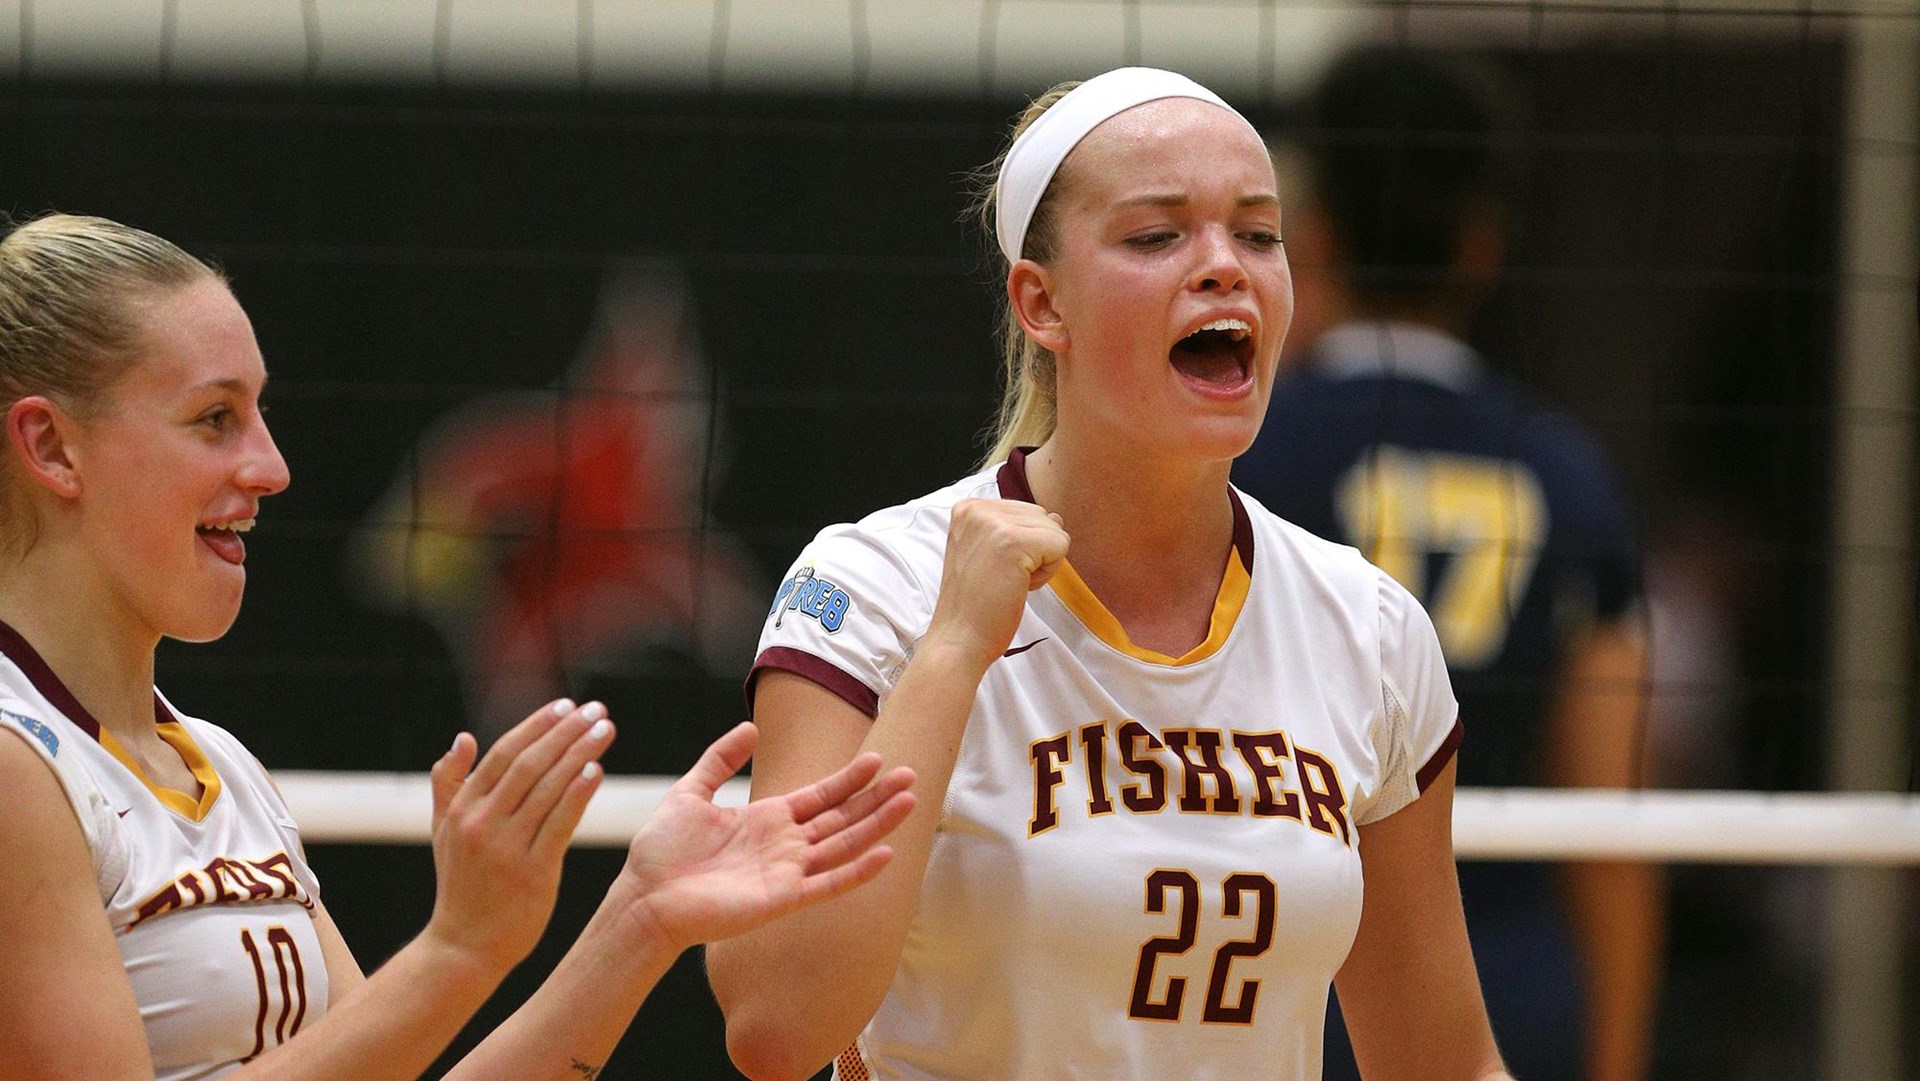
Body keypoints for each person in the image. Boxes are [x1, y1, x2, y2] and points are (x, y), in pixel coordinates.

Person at [707, 67, 1510, 1080]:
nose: (1224, 266)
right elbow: (775, 1022)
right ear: (1042, 303)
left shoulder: (1368, 626)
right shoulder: (877, 587)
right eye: (1156, 235)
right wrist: (954, 654)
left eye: (1259, 234)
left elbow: (1445, 1063)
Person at [0, 212, 916, 1081]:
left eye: (262, 412)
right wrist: (456, 949)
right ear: (52, 446)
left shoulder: (222, 768)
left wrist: (640, 918)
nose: (271, 466)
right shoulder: (14, 765)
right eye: (214, 418)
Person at [1232, 48, 1660, 1081]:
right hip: (1512, 987)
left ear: (1315, 231)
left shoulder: (1240, 457)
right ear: (1480, 247)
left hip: (1281, 973)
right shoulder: (1566, 473)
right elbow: (1608, 806)